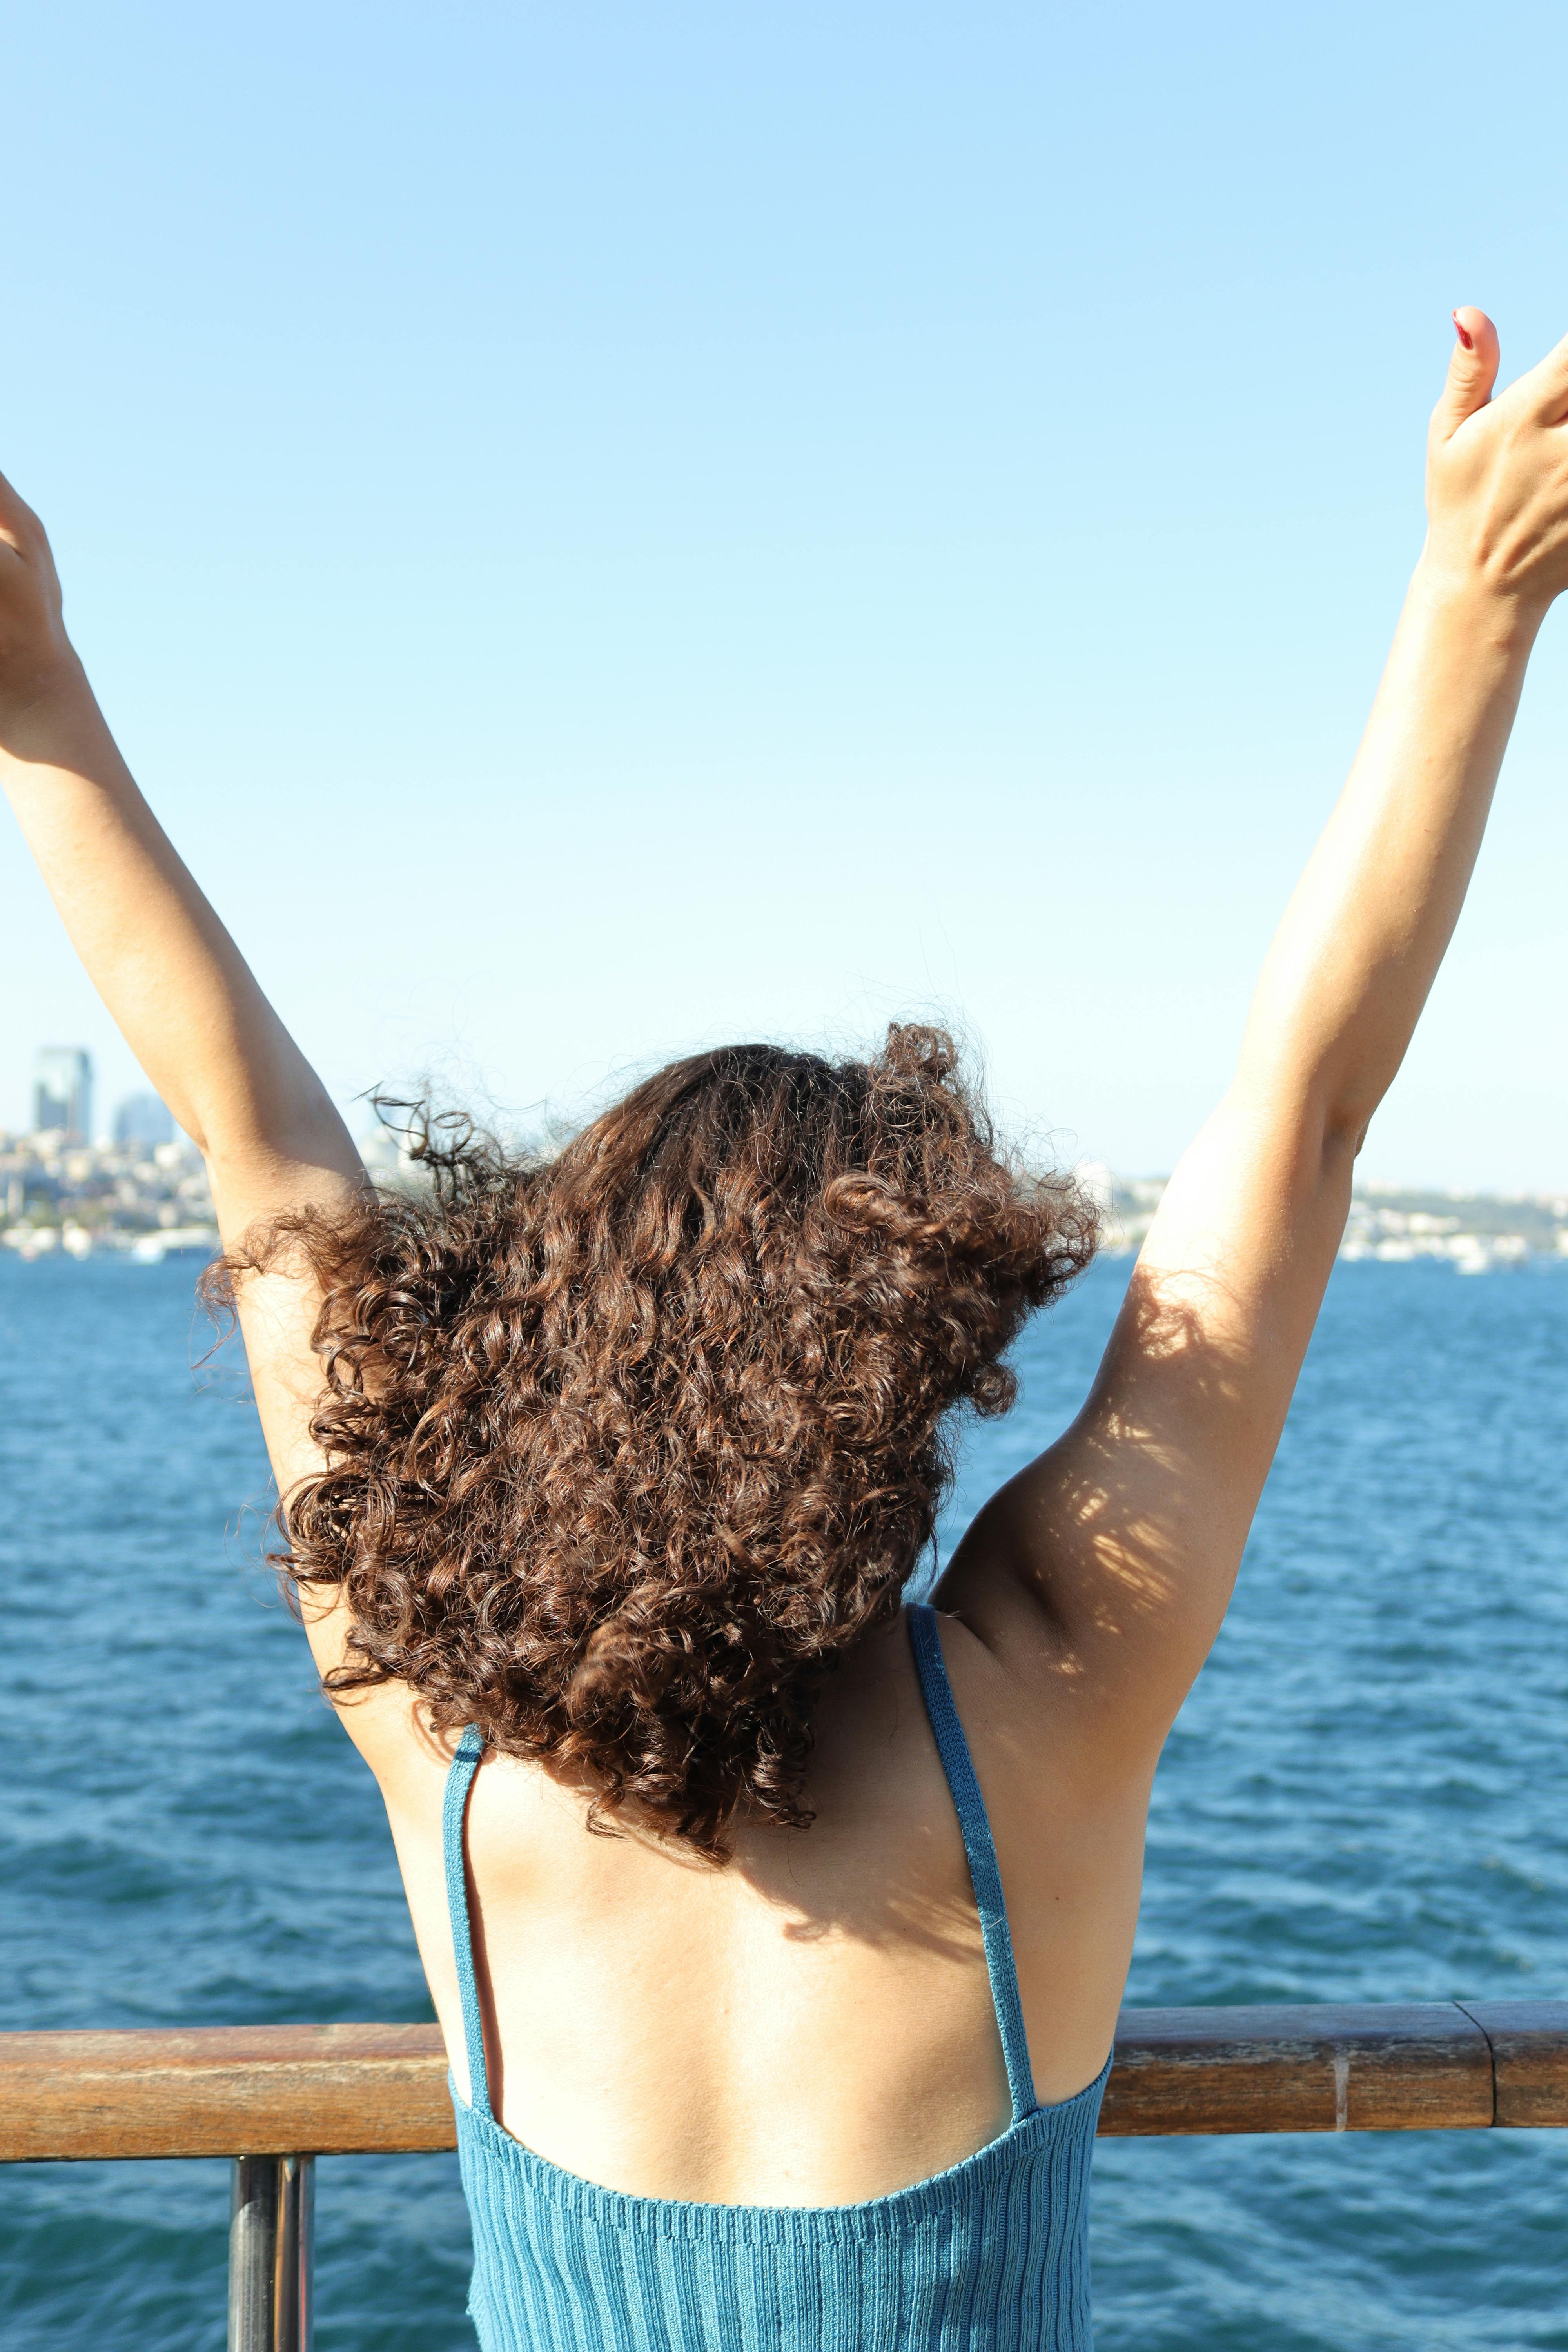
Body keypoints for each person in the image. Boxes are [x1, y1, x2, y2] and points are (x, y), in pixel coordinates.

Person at [4, 307, 1566, 2350]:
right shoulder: (1051, 1703)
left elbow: (265, 1155)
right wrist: (1475, 603)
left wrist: (40, 691)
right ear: (895, 1371)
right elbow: (1310, 1113)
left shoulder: (447, 1743)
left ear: (557, 1352)